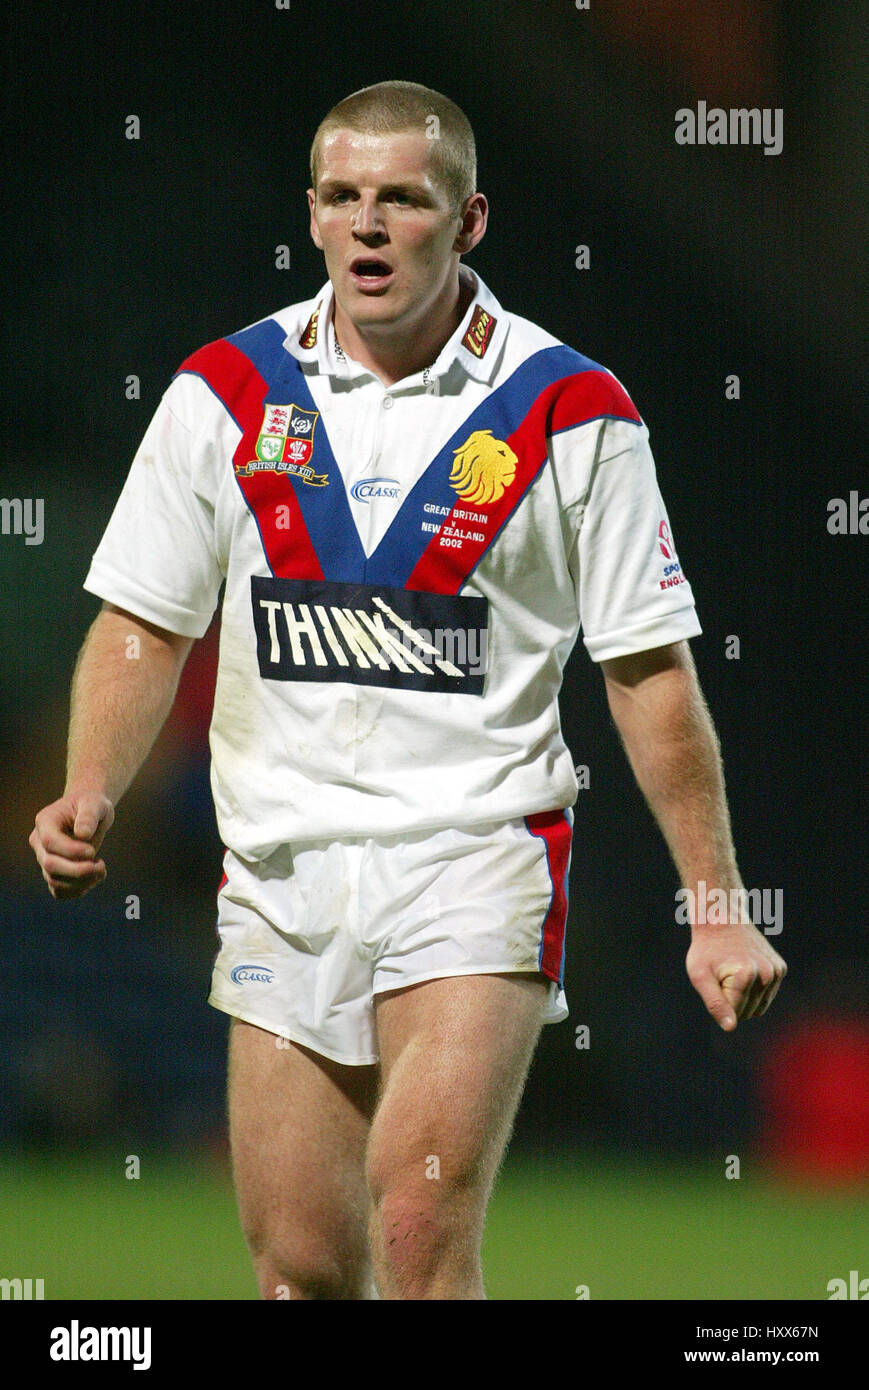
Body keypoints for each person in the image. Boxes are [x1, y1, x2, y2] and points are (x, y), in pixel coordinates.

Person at [29, 80, 786, 1300]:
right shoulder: (222, 393)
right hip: (280, 867)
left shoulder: (572, 411)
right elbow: (142, 624)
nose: (368, 224)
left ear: (468, 220)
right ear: (312, 215)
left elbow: (647, 671)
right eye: (342, 196)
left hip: (474, 855)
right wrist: (91, 785)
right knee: (301, 1268)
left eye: (403, 198)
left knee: (422, 1220)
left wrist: (716, 903)